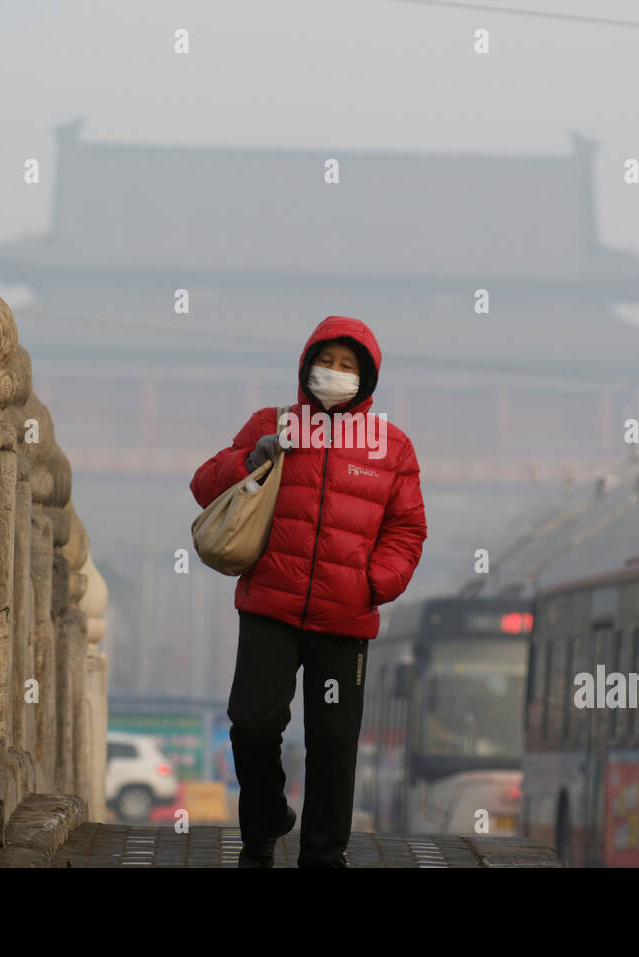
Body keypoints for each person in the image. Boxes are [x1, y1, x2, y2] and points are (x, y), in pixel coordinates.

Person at [190, 315, 427, 867]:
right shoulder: (269, 424)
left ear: (366, 380)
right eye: (328, 362)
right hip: (270, 606)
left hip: (343, 621)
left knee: (332, 743)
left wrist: (375, 583)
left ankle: (322, 856)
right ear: (306, 365)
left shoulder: (391, 448)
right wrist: (253, 458)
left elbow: (407, 529)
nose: (336, 374)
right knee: (251, 723)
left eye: (349, 366)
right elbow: (204, 486)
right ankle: (265, 824)